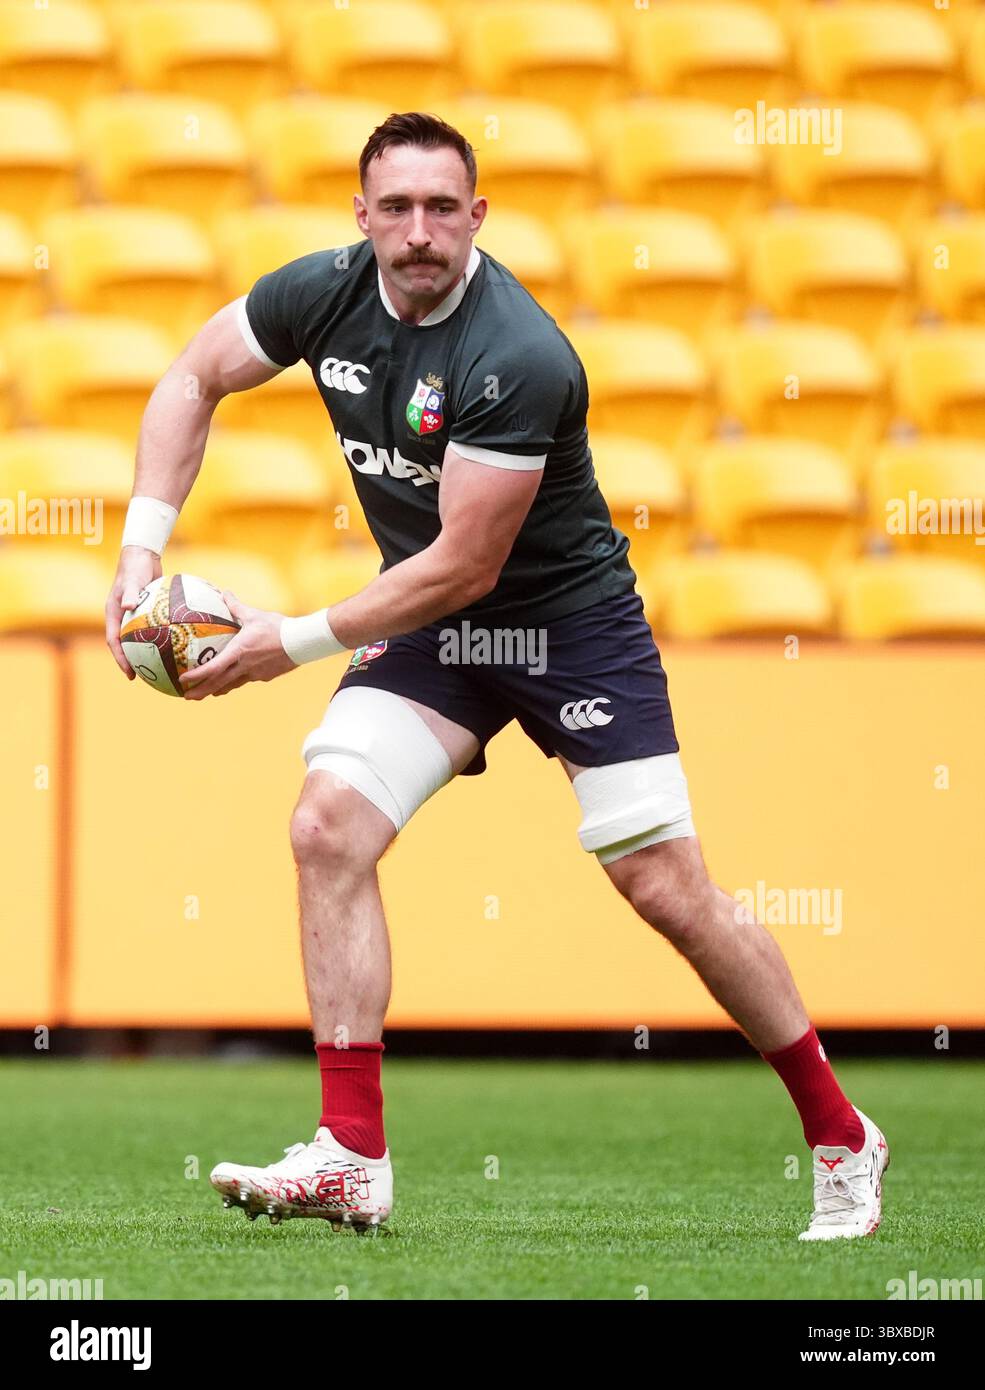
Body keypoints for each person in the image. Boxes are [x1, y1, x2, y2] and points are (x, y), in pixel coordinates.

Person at [105, 112, 888, 1240]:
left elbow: (465, 563)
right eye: (396, 207)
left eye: (442, 208)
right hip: (433, 622)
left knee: (665, 888)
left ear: (478, 216)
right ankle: (351, 1155)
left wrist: (291, 641)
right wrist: (140, 552)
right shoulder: (319, 293)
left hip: (564, 624)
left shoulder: (514, 354)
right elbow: (190, 377)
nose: (418, 231)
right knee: (327, 824)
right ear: (360, 215)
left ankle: (839, 1130)